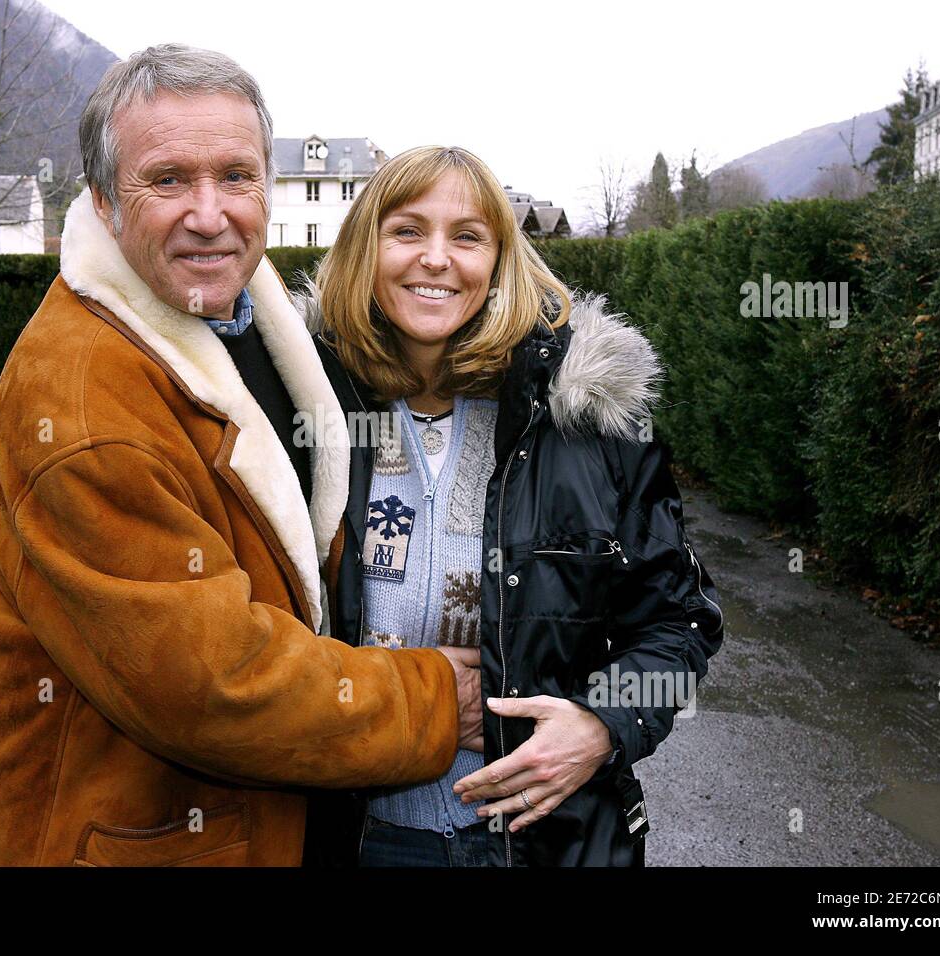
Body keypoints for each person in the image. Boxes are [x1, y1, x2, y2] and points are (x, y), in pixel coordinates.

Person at [0, 46, 483, 867]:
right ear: (104, 202)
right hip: (139, 841)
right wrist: (434, 702)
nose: (210, 214)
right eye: (167, 179)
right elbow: (211, 685)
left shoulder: (246, 316)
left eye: (237, 177)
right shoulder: (79, 404)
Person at [297, 145, 726, 866]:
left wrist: (603, 724)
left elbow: (679, 619)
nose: (436, 258)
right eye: (406, 231)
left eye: (467, 236)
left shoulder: (586, 422)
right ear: (364, 249)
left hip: (542, 841)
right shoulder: (303, 410)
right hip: (355, 837)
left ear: (501, 261)